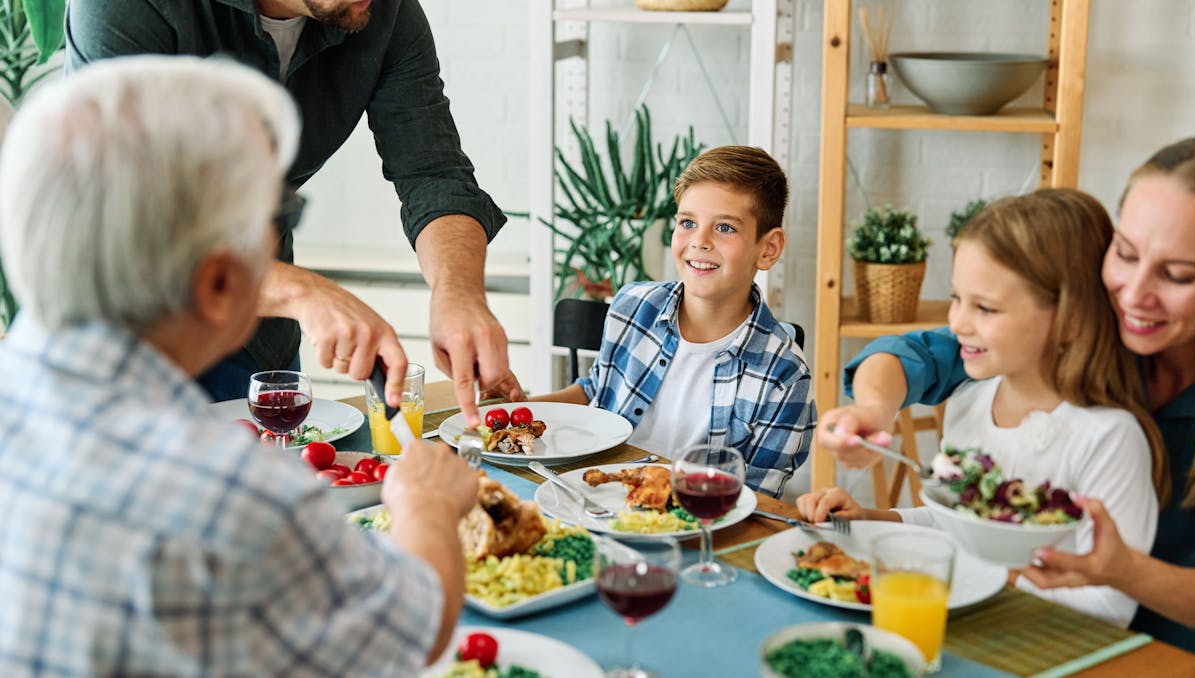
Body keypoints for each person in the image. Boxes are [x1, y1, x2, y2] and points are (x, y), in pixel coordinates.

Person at [0, 55, 478, 673]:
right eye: (278, 217)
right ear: (220, 283)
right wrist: (427, 505)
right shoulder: (230, 491)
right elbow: (407, 634)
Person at [817, 138, 1195, 654]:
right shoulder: (995, 376)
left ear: (1068, 317)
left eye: (1178, 274)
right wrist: (870, 423)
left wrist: (1117, 572)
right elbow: (915, 355)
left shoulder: (1108, 430)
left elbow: (1103, 598)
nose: (1131, 295)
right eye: (1126, 253)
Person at [66, 0, 519, 424]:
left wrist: (458, 292)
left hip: (257, 328)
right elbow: (121, 219)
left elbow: (433, 172)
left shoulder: (383, 10)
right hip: (118, 329)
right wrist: (303, 294)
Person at [521, 146, 816, 498]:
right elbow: (596, 391)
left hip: (693, 528)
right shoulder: (632, 305)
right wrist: (515, 413)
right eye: (687, 222)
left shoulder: (785, 376)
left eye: (724, 227)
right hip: (590, 499)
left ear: (767, 249)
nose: (699, 241)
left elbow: (753, 503)